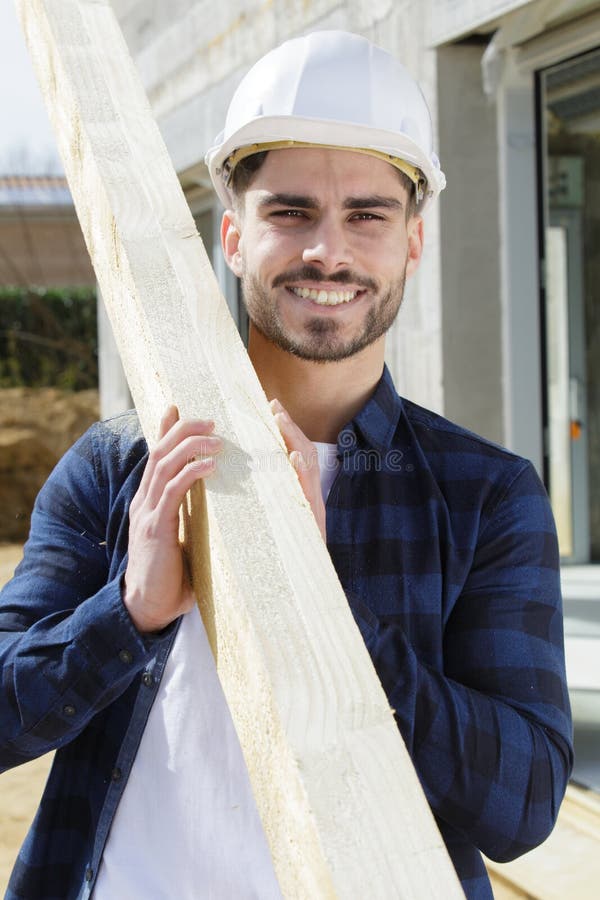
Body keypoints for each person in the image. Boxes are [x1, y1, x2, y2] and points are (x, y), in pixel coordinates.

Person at [0, 30, 572, 900]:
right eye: (290, 211)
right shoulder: (120, 470)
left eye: (368, 215)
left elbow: (524, 805)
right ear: (232, 237)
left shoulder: (487, 496)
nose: (328, 253)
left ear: (414, 243)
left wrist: (325, 602)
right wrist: (127, 615)